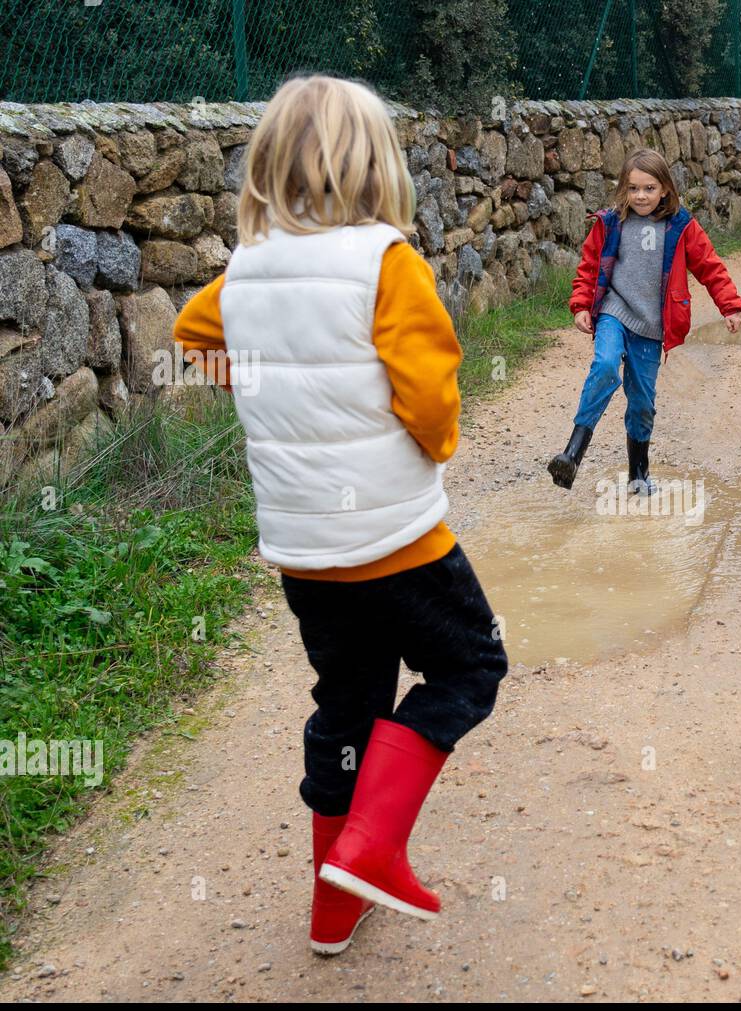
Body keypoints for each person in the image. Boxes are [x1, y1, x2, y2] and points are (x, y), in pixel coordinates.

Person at [173, 75, 507, 956]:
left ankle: (334, 906)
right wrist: (435, 445)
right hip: (400, 542)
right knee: (471, 668)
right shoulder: (385, 261)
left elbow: (193, 336)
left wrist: (275, 405)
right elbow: (430, 396)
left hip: (307, 553)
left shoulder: (244, 271)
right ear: (374, 167)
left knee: (346, 708)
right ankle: (373, 843)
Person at [548, 147, 741, 494]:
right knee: (605, 365)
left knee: (641, 403)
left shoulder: (682, 226)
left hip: (652, 327)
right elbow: (590, 267)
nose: (641, 196)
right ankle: (571, 455)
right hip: (614, 312)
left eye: (649, 188)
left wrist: (728, 305)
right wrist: (580, 304)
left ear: (665, 189)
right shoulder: (611, 223)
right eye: (634, 188)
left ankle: (638, 474)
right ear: (623, 188)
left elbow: (709, 266)